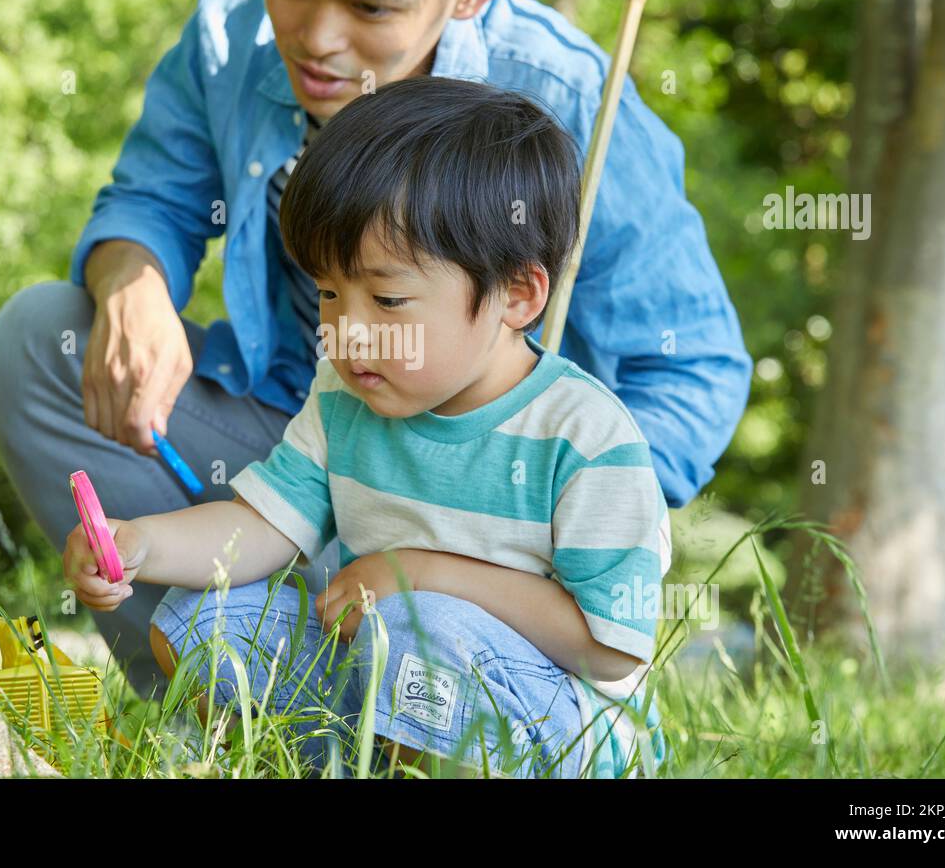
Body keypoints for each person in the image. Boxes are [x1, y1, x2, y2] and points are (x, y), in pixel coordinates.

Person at [0, 0, 750, 703]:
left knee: (450, 639)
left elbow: (692, 369)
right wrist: (132, 289)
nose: (316, 37)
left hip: (509, 512)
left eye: (371, 8)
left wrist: (555, 523)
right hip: (317, 439)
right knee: (38, 343)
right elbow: (152, 199)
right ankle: (225, 712)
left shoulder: (570, 97)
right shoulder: (232, 28)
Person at [67, 76, 671, 777]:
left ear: (517, 293)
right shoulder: (346, 397)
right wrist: (140, 543)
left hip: (556, 734)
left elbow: (612, 647)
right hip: (389, 671)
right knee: (204, 620)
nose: (348, 333)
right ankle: (314, 765)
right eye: (329, 292)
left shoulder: (585, 437)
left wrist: (418, 575)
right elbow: (262, 528)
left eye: (387, 298)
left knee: (424, 625)